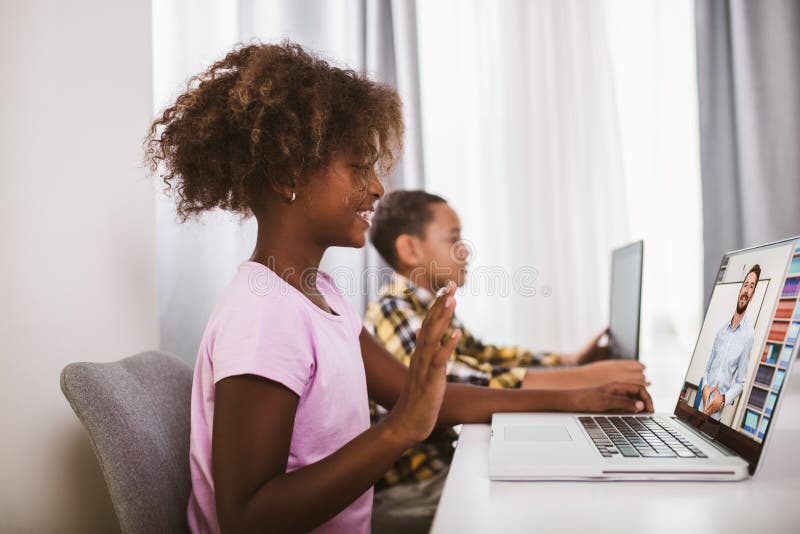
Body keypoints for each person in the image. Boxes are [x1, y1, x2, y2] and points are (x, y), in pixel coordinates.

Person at [145, 42, 653, 534]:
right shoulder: (263, 314)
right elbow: (247, 519)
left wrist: (577, 398)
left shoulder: (320, 297)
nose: (376, 186)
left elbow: (429, 400)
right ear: (287, 174)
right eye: (358, 167)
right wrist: (400, 427)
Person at [365, 190, 649, 530]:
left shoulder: (429, 306)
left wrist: (571, 361)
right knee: (552, 510)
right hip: (411, 490)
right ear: (410, 249)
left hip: (441, 469)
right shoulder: (394, 307)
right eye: (454, 239)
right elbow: (453, 382)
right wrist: (581, 380)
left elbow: (485, 356)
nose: (465, 249)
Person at [701, 264, 760, 420]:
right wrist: (704, 387)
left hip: (716, 414)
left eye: (751, 287)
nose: (746, 290)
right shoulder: (721, 331)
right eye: (745, 285)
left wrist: (723, 400)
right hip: (700, 403)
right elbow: (708, 367)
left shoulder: (748, 336)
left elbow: (741, 382)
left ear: (752, 294)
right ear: (740, 290)